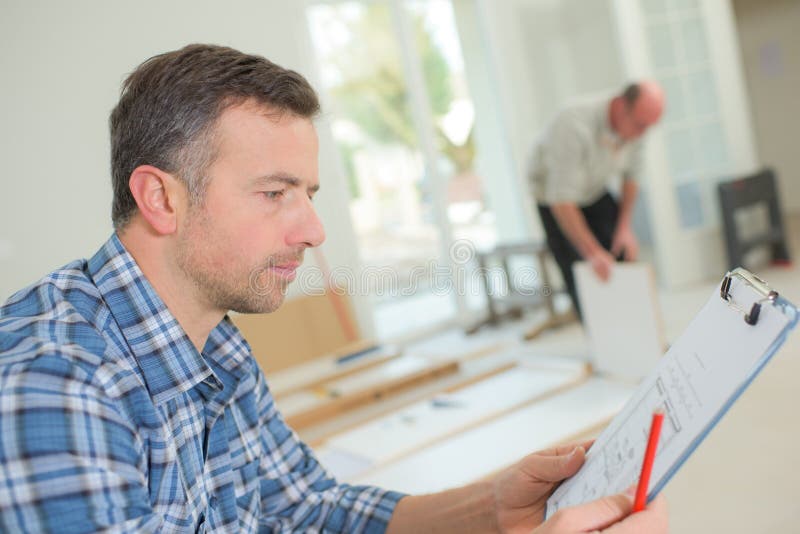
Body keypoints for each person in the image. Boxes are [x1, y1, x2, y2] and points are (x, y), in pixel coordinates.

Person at [0, 44, 666, 533]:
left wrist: (494, 509)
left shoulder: (218, 348)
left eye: (309, 195)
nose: (314, 231)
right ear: (161, 199)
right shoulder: (55, 385)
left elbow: (309, 509)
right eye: (275, 194)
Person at [528, 82, 665, 317]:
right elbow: (562, 200)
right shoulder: (572, 123)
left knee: (622, 253)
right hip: (554, 199)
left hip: (595, 189)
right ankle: (597, 328)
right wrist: (592, 252)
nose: (643, 133)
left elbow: (632, 177)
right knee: (584, 273)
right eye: (640, 125)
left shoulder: (639, 126)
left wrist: (624, 227)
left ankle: (636, 324)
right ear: (621, 107)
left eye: (648, 127)